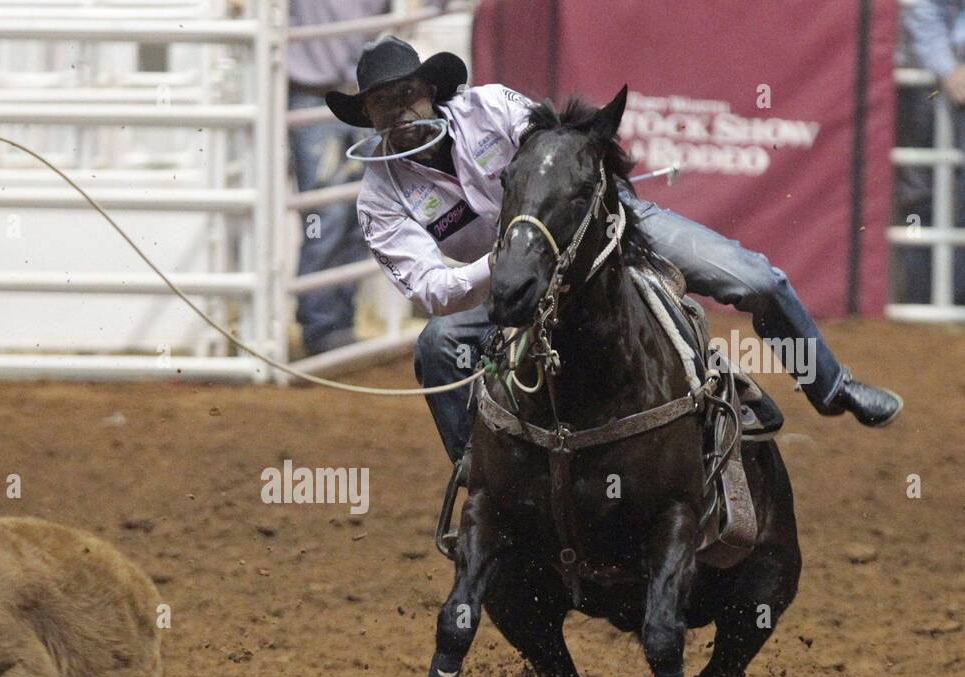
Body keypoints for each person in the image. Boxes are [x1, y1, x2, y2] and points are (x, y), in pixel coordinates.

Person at [325, 36, 904, 467]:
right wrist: (501, 269)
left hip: (606, 231)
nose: (399, 115)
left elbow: (568, 148)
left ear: (430, 92)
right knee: (437, 345)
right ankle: (479, 482)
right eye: (382, 107)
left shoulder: (492, 108)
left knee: (756, 279)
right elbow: (428, 288)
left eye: (406, 96)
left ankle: (829, 384)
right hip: (514, 284)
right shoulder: (382, 196)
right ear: (369, 118)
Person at [287, 0, 390, 356]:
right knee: (324, 213)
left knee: (364, 211)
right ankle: (320, 324)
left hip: (360, 92)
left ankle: (337, 322)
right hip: (314, 91)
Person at [903, 0, 965, 302]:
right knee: (920, 194)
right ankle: (920, 296)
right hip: (928, 78)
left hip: (934, 71)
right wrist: (948, 69)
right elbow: (925, 9)